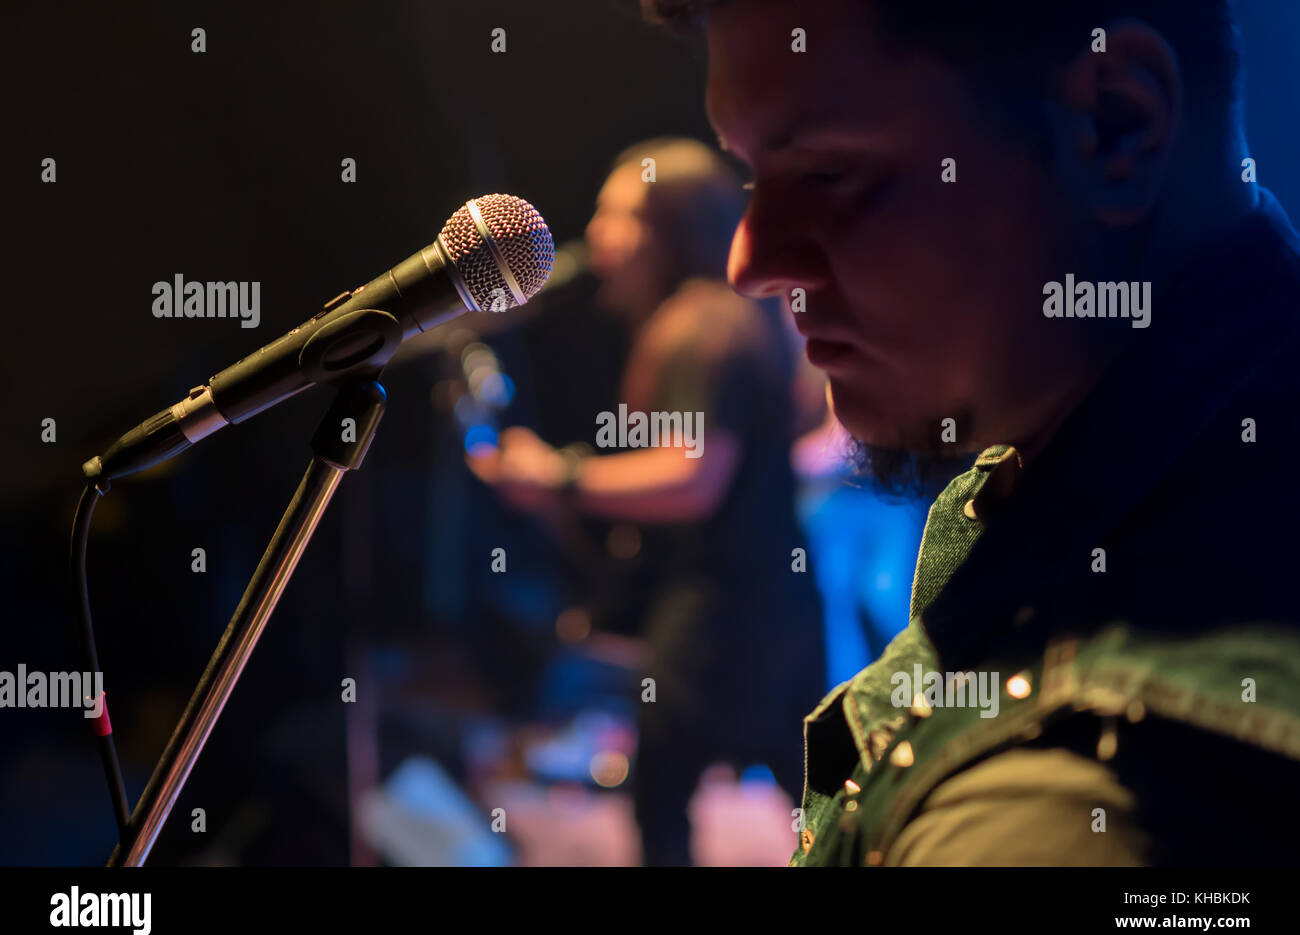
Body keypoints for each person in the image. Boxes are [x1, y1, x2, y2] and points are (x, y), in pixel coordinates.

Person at [642, 0, 1300, 864]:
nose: (751, 263)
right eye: (759, 177)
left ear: (1115, 125)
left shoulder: (1065, 806)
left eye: (832, 173)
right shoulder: (1062, 457)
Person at [467, 138, 825, 865]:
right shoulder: (730, 319)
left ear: (673, 228)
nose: (597, 233)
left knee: (662, 806)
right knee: (818, 802)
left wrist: (560, 477)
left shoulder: (698, 327)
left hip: (722, 617)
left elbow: (694, 478)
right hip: (774, 601)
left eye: (619, 215)